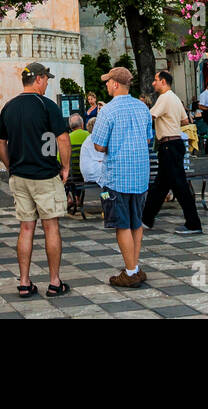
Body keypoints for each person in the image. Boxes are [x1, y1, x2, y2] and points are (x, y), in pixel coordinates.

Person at [0, 62, 71, 298]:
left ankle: (25, 282)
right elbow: (63, 139)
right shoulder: (47, 105)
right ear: (38, 79)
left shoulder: (9, 106)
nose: (47, 83)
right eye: (46, 78)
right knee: (51, 227)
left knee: (26, 228)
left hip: (20, 175)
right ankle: (54, 281)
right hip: (45, 174)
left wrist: (9, 166)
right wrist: (66, 167)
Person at [91, 66, 154, 288]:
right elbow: (148, 139)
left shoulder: (108, 110)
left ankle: (129, 271)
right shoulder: (142, 107)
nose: (106, 85)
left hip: (117, 175)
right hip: (139, 174)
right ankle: (134, 267)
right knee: (136, 223)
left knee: (122, 225)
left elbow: (99, 145)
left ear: (116, 84)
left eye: (108, 81)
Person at [142, 69, 202, 235]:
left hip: (169, 145)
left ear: (163, 82)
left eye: (155, 80)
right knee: (160, 186)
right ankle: (146, 219)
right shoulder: (175, 98)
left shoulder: (165, 98)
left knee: (179, 186)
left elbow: (150, 116)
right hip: (173, 144)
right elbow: (184, 120)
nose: (153, 83)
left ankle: (193, 223)